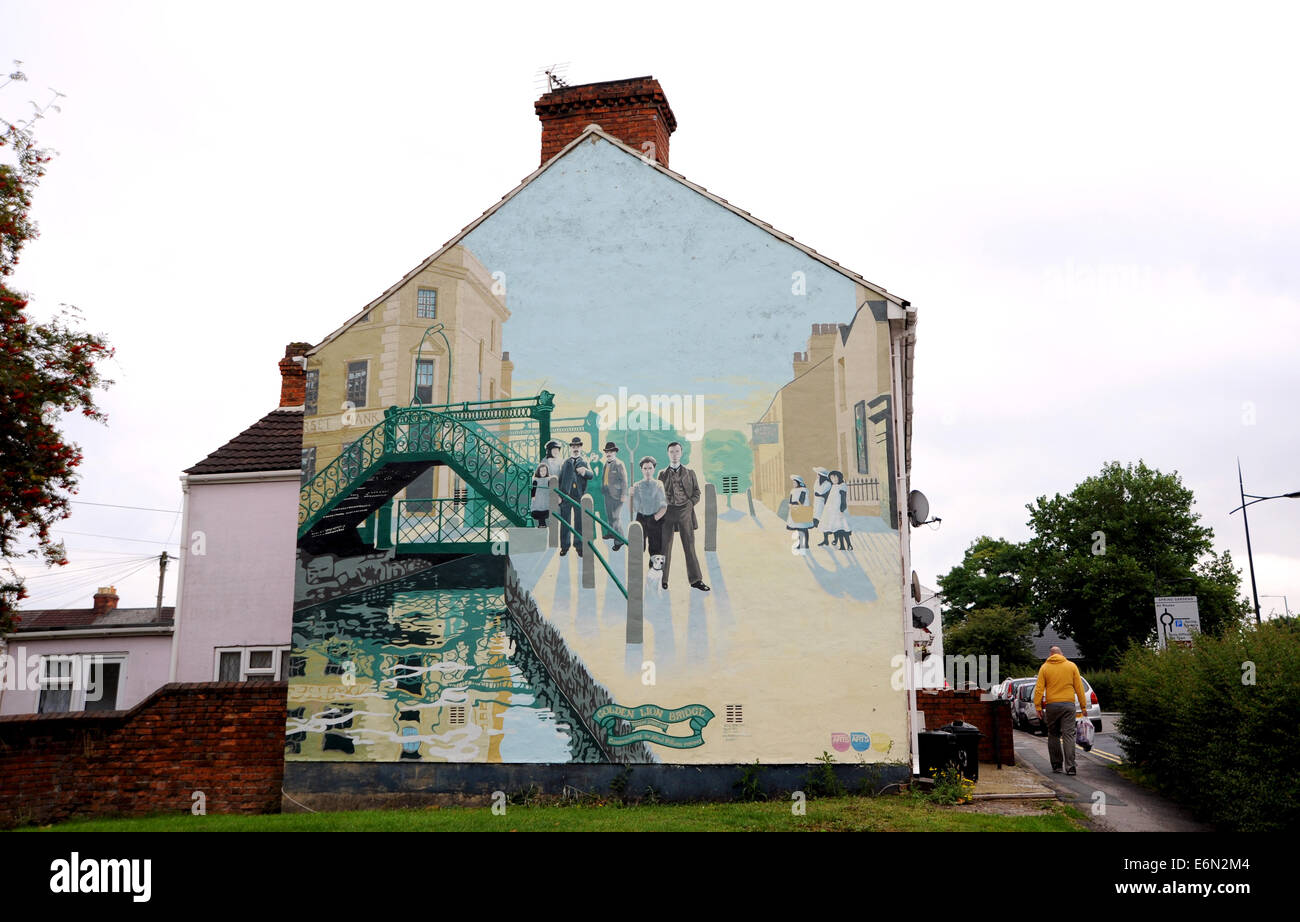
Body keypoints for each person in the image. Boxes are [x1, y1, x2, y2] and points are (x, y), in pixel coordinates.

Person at [657, 441, 709, 591]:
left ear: (681, 453)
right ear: (668, 454)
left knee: (689, 547)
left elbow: (697, 493)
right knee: (664, 547)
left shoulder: (690, 473)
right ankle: (662, 579)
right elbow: (658, 495)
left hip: (685, 512)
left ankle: (696, 580)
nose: (674, 454)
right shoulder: (662, 474)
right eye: (672, 452)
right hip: (667, 512)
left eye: (677, 451)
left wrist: (689, 505)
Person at [1032, 645, 1089, 775]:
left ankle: (1057, 765)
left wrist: (1038, 706)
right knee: (1068, 735)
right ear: (1061, 654)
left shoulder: (1044, 667)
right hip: (1068, 705)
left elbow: (1039, 689)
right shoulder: (1071, 666)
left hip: (1052, 705)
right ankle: (1070, 767)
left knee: (1053, 734)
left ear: (1050, 655)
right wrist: (1083, 706)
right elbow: (1079, 687)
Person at [556, 437, 593, 557]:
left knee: (579, 523)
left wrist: (585, 471)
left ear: (581, 447)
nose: (576, 448)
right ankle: (564, 546)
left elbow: (591, 475)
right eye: (574, 446)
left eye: (578, 446)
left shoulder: (584, 462)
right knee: (565, 522)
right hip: (566, 496)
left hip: (579, 497)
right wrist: (559, 495)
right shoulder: (565, 462)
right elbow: (560, 479)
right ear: (571, 448)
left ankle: (579, 546)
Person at [630, 455, 667, 562]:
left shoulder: (658, 485)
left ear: (654, 469)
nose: (647, 471)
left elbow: (664, 507)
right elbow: (633, 509)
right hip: (640, 519)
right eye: (645, 468)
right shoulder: (636, 486)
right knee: (638, 548)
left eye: (650, 468)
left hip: (654, 519)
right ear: (641, 469)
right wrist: (631, 496)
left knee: (655, 550)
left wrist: (655, 518)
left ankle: (654, 572)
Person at [599, 441, 628, 551]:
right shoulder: (606, 463)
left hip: (617, 495)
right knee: (609, 516)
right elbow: (603, 477)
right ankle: (611, 533)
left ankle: (619, 540)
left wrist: (623, 495)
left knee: (616, 518)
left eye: (611, 451)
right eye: (607, 452)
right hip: (607, 493)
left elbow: (624, 481)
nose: (608, 453)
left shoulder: (619, 464)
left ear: (615, 452)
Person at [822, 469, 851, 549]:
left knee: (842, 528)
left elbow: (843, 499)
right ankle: (842, 545)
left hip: (839, 511)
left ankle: (847, 544)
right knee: (837, 528)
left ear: (839, 477)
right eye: (832, 478)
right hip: (833, 511)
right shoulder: (833, 486)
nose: (833, 479)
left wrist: (842, 509)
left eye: (835, 477)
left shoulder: (842, 486)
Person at [786, 475, 813, 549]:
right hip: (795, 511)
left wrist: (793, 503)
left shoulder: (803, 490)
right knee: (799, 529)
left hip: (802, 511)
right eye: (793, 483)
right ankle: (801, 544)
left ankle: (806, 544)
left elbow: (801, 500)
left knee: (803, 528)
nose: (793, 484)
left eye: (795, 483)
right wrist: (791, 503)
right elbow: (791, 500)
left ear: (799, 483)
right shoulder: (792, 491)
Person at [811, 467, 833, 546]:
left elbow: (820, 491)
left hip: (824, 504)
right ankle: (825, 539)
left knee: (824, 522)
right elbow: (816, 491)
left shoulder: (828, 484)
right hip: (817, 503)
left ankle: (828, 539)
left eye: (818, 475)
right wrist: (818, 494)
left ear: (821, 476)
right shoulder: (817, 482)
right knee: (819, 520)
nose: (817, 476)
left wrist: (819, 494)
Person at [529, 463, 553, 528]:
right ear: (538, 471)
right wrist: (533, 496)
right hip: (538, 497)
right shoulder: (536, 480)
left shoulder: (548, 479)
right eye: (541, 471)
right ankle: (541, 524)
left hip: (545, 497)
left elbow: (551, 488)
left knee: (545, 509)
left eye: (544, 470)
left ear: (547, 471)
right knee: (539, 510)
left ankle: (543, 524)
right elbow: (533, 488)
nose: (543, 472)